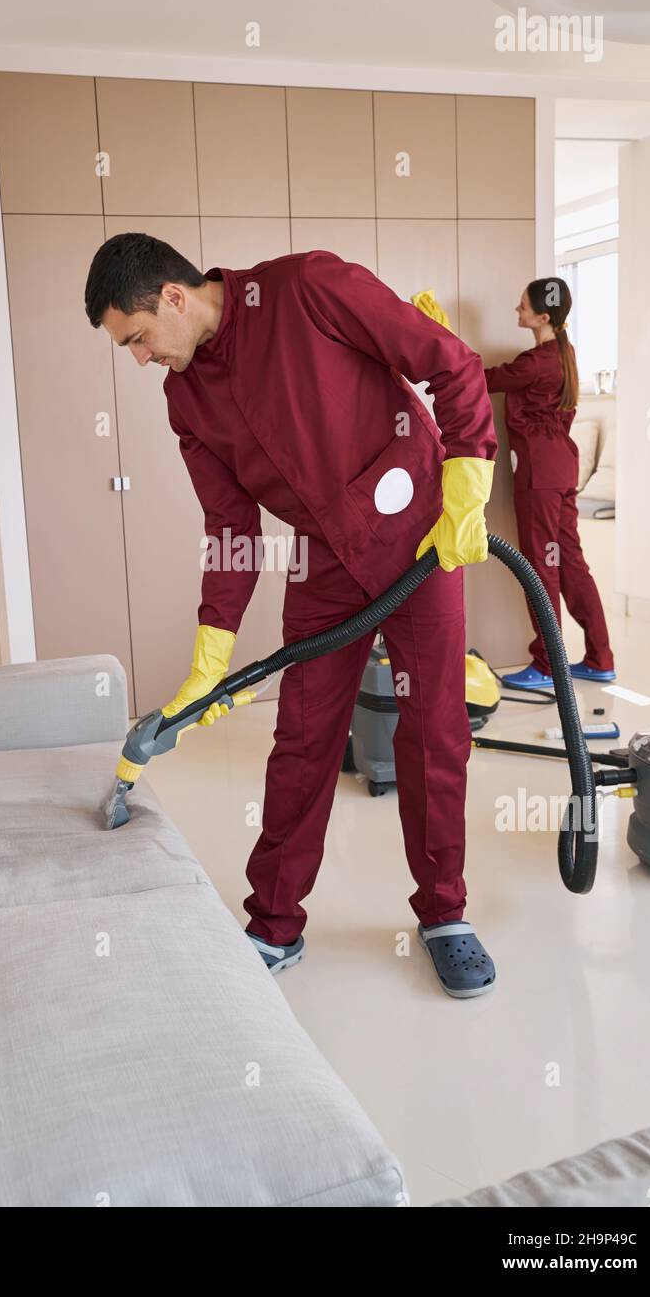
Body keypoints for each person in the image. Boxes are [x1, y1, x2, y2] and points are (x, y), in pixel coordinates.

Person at [85, 234, 499, 998]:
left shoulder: (306, 288)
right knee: (303, 739)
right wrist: (213, 647)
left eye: (136, 338)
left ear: (173, 297)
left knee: (435, 730)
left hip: (422, 543)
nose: (138, 359)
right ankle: (274, 923)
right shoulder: (186, 399)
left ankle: (445, 915)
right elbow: (232, 527)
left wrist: (469, 468)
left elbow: (451, 363)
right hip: (323, 564)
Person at [482, 279, 615, 690]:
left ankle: (545, 665)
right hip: (561, 469)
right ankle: (599, 658)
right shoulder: (566, 354)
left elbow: (484, 378)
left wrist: (441, 340)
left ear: (543, 317)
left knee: (542, 566)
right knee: (570, 562)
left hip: (539, 475)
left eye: (522, 307)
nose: (516, 311)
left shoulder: (536, 362)